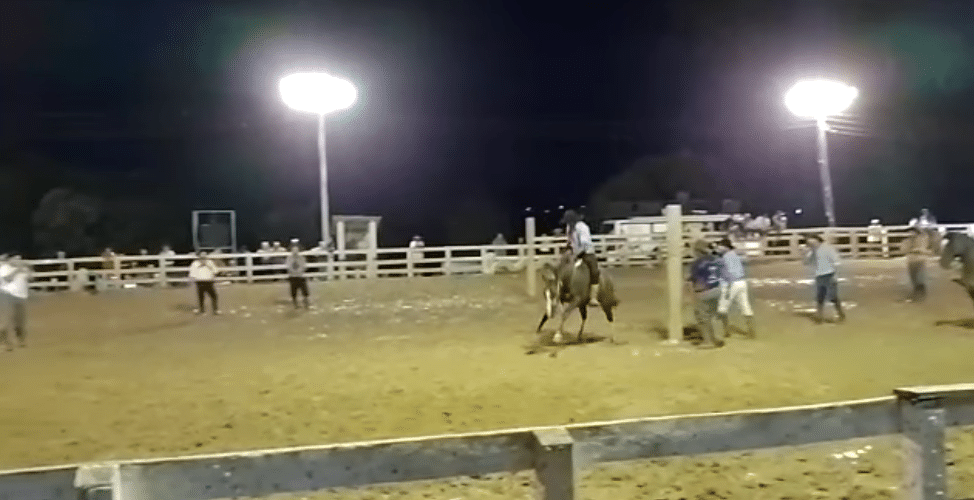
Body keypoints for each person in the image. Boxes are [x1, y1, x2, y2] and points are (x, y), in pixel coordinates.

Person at [687, 240, 725, 348]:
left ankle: (708, 341)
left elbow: (695, 281)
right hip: (719, 290)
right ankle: (716, 338)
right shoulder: (715, 260)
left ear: (697, 251)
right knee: (712, 316)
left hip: (706, 292)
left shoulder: (697, 263)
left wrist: (694, 295)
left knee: (702, 317)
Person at [715, 238, 756, 337]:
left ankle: (726, 331)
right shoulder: (735, 255)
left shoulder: (724, 258)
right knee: (745, 306)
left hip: (731, 283)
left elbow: (723, 272)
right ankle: (751, 331)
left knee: (722, 308)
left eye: (720, 246)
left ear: (725, 247)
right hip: (742, 282)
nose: (718, 248)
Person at [803, 234, 846, 324]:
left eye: (811, 241)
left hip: (829, 275)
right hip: (819, 276)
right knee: (820, 297)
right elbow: (807, 262)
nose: (810, 244)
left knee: (833, 297)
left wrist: (835, 273)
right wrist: (805, 253)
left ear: (817, 240)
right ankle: (819, 317)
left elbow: (836, 261)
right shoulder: (812, 251)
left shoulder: (827, 248)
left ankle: (840, 314)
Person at [561, 209, 600, 305]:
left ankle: (593, 297)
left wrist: (578, 254)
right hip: (575, 253)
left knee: (594, 272)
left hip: (587, 253)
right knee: (563, 268)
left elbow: (585, 243)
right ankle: (565, 291)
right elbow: (570, 241)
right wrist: (568, 248)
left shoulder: (582, 227)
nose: (568, 224)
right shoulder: (569, 228)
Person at [0, 254, 29, 350]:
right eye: (15, 259)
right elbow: (8, 278)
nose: (18, 260)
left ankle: (20, 340)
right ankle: (4, 342)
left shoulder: (22, 269)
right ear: (10, 259)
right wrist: (18, 270)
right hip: (6, 296)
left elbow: (29, 277)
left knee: (20, 319)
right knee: (5, 320)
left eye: (19, 259)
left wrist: (25, 270)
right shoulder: (4, 268)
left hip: (21, 297)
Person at [903, 225, 932, 302]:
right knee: (915, 279)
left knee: (919, 279)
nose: (910, 234)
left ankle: (919, 296)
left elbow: (923, 248)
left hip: (919, 261)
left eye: (912, 232)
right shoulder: (907, 241)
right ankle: (918, 295)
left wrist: (916, 250)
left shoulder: (922, 239)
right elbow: (903, 249)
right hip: (912, 261)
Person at [285, 242, 310, 309]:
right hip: (293, 276)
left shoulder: (301, 257)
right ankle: (295, 303)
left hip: (300, 276)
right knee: (293, 291)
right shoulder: (289, 258)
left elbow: (304, 266)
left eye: (296, 250)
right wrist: (295, 271)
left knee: (304, 289)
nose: (295, 252)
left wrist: (299, 271)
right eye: (294, 250)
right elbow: (288, 266)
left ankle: (306, 301)